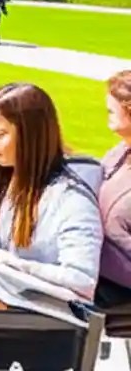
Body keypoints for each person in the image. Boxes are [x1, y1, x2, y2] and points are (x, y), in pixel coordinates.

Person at [0, 83, 103, 368]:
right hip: (5, 296)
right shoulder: (13, 176)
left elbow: (81, 280)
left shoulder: (71, 200)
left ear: (30, 136)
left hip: (42, 324)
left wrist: (0, 259)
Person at [96, 70, 131, 307]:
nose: (107, 108)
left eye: (113, 106)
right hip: (98, 275)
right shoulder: (118, 152)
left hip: (119, 291)